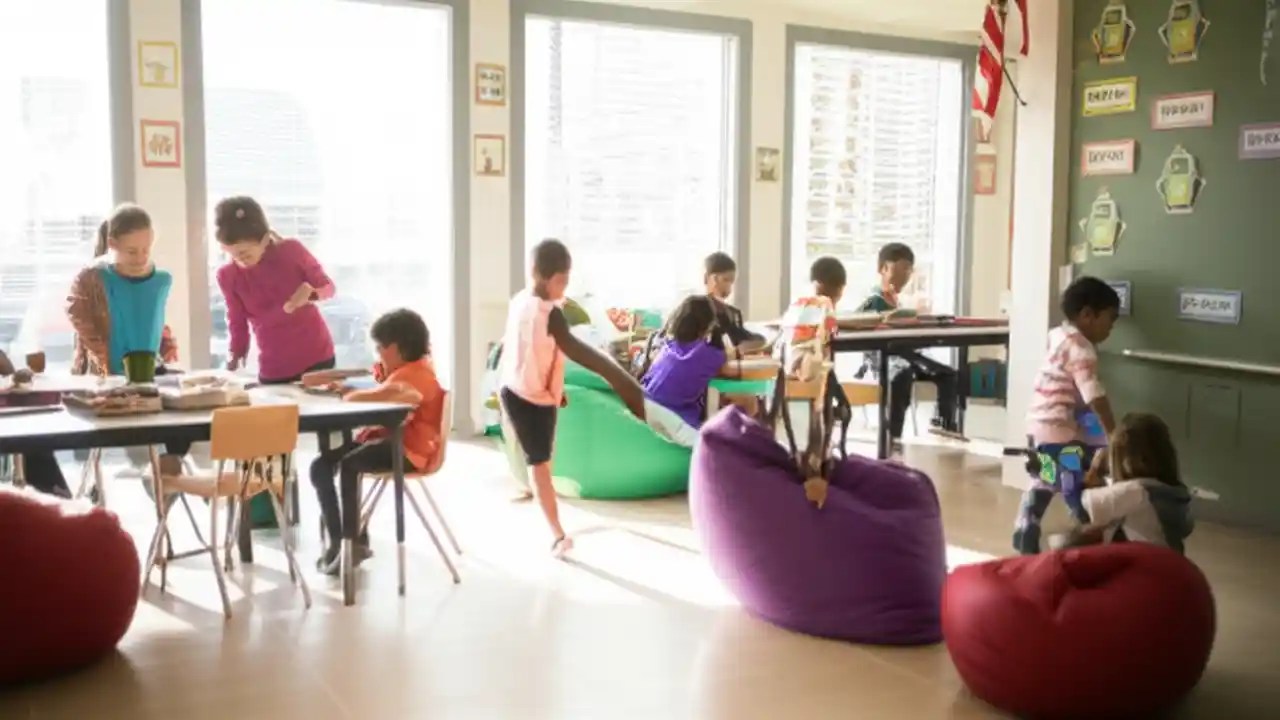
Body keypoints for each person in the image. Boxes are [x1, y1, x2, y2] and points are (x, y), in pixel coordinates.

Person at [500, 239, 649, 556]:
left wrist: (556, 389)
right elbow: (577, 351)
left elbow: (536, 352)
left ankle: (541, 496)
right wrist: (624, 384)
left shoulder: (521, 301)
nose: (564, 288)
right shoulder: (549, 315)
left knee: (542, 462)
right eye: (561, 281)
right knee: (540, 465)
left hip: (529, 390)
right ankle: (557, 534)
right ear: (540, 275)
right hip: (523, 396)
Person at [308, 308, 444, 575]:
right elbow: (383, 391)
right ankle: (343, 539)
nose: (379, 354)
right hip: (394, 443)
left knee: (349, 464)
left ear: (397, 347)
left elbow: (392, 396)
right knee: (321, 466)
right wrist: (357, 390)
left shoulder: (415, 376)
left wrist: (350, 396)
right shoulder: (410, 370)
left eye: (381, 348)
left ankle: (350, 541)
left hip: (407, 451)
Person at [67, 205, 185, 478]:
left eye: (146, 250)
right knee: (142, 446)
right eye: (132, 251)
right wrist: (103, 361)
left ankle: (164, 484)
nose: (140, 257)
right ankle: (157, 483)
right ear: (112, 244)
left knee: (181, 437)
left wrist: (168, 352)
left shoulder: (161, 280)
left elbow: (155, 323)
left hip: (151, 378)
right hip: (108, 382)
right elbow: (79, 317)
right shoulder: (92, 279)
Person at [1013, 275, 1121, 554]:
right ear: (1088, 315)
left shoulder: (1058, 335)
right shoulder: (1082, 348)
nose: (1112, 327)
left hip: (1038, 425)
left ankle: (1027, 524)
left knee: (1046, 477)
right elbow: (1092, 393)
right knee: (1075, 479)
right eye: (1110, 318)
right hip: (1059, 428)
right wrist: (1112, 432)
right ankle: (1088, 533)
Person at [213, 196, 337, 384]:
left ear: (264, 239)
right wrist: (236, 353)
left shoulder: (291, 251)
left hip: (317, 357)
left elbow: (328, 287)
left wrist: (311, 294)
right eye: (233, 254)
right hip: (274, 365)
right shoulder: (228, 275)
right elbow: (237, 320)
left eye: (245, 253)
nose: (241, 260)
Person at [855, 243, 959, 445]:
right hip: (881, 357)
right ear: (883, 269)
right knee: (902, 375)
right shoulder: (873, 300)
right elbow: (857, 322)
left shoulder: (898, 302)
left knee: (948, 374)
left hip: (906, 355)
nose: (905, 275)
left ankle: (943, 423)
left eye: (909, 270)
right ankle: (893, 435)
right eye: (900, 268)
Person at [1057, 413, 1193, 553]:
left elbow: (1078, 506)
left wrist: (1092, 469)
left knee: (1070, 543)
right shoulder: (1170, 492)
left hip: (1145, 569)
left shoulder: (1136, 492)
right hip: (1171, 565)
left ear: (1127, 461)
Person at [641, 295, 738, 443]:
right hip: (672, 417)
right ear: (707, 327)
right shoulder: (708, 354)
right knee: (711, 450)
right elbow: (730, 364)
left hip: (644, 406)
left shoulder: (668, 346)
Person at [776, 256, 846, 381]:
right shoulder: (826, 305)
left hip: (785, 370)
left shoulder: (796, 304)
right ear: (840, 289)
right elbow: (833, 334)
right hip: (809, 372)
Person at [703, 252, 765, 352]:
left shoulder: (733, 313)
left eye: (731, 281)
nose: (728, 286)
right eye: (725, 280)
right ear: (708, 278)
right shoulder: (697, 310)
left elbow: (742, 337)